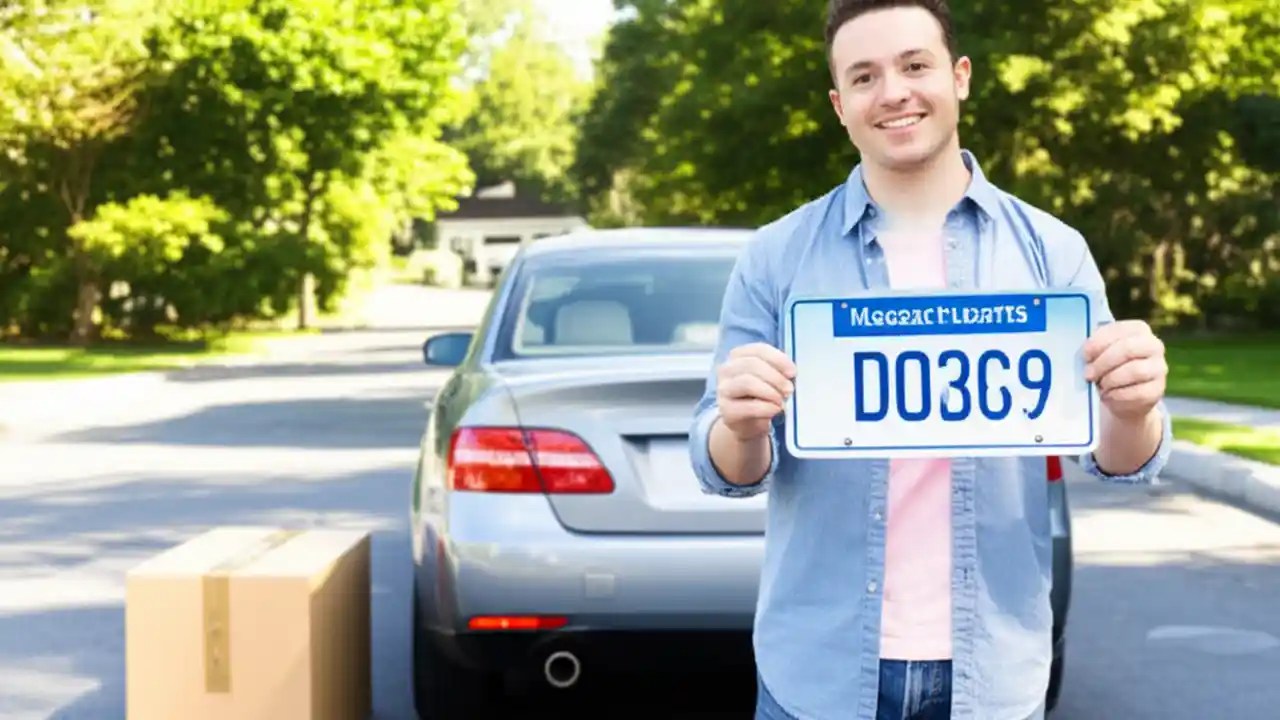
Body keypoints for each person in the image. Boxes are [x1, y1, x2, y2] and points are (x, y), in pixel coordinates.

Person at [687, 1, 1173, 719]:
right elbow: (723, 466)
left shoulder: (1051, 252)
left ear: (960, 76)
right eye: (864, 76)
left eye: (915, 65)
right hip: (816, 673)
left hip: (993, 674)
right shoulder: (776, 257)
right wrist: (743, 425)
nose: (894, 92)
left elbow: (1119, 457)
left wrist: (1134, 408)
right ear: (839, 105)